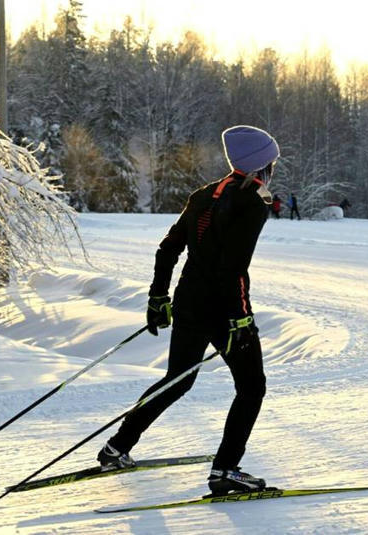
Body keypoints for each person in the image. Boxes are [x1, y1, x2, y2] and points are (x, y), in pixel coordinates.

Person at [97, 125, 277, 495]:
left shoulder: (204, 195)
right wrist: (241, 317)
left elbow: (168, 248)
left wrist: (158, 298)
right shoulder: (251, 204)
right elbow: (233, 268)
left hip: (189, 302)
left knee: (178, 379)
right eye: (272, 162)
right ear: (261, 165)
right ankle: (225, 470)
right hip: (223, 310)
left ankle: (117, 447)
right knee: (251, 387)